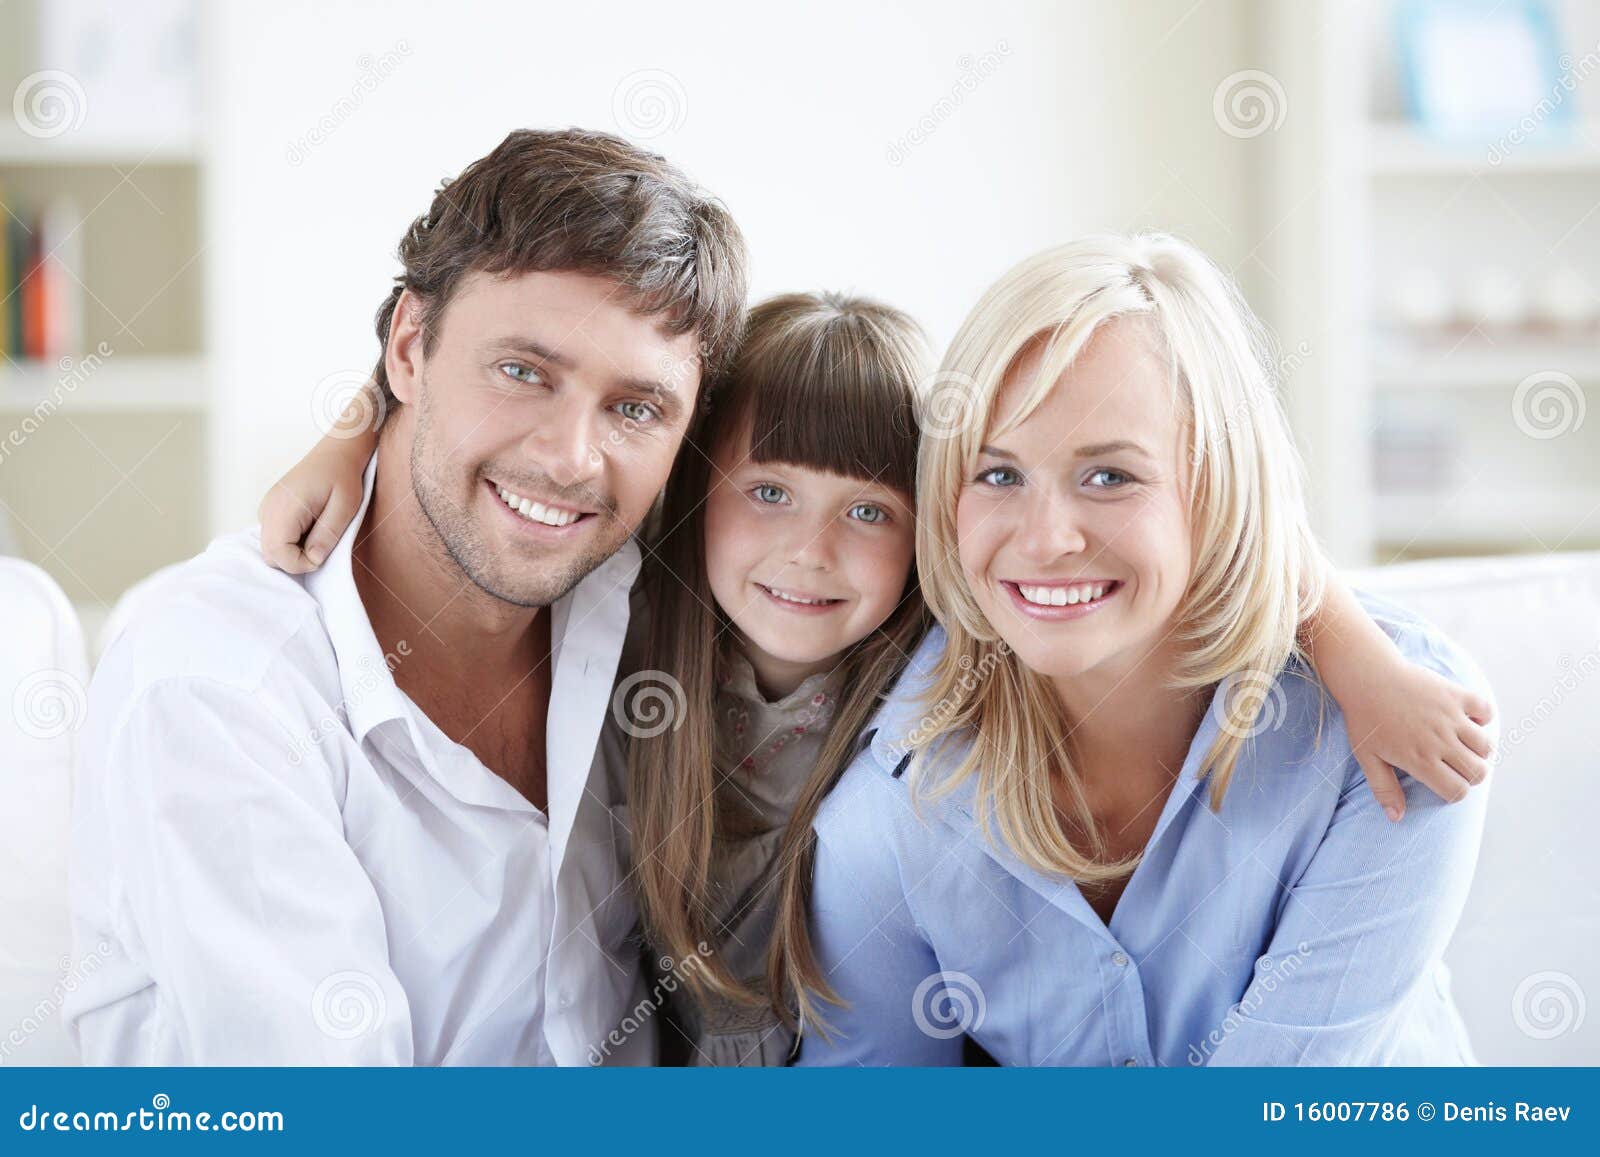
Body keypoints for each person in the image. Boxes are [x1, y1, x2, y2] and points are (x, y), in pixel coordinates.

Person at [264, 259, 1494, 1069]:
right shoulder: (665, 633)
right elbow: (551, 431)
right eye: (998, 475)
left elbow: (1228, 506)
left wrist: (1350, 648)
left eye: (869, 509)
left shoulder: (1380, 727)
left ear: (919, 525)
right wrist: (363, 427)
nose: (811, 550)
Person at [64, 127, 748, 1065]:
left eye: (635, 408)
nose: (570, 459)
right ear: (409, 348)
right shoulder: (219, 684)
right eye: (523, 372)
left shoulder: (650, 600)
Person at [794, 233, 1496, 1066]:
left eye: (1110, 477)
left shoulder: (1399, 727)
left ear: (1215, 485)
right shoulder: (893, 806)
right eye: (999, 474)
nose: (1045, 540)